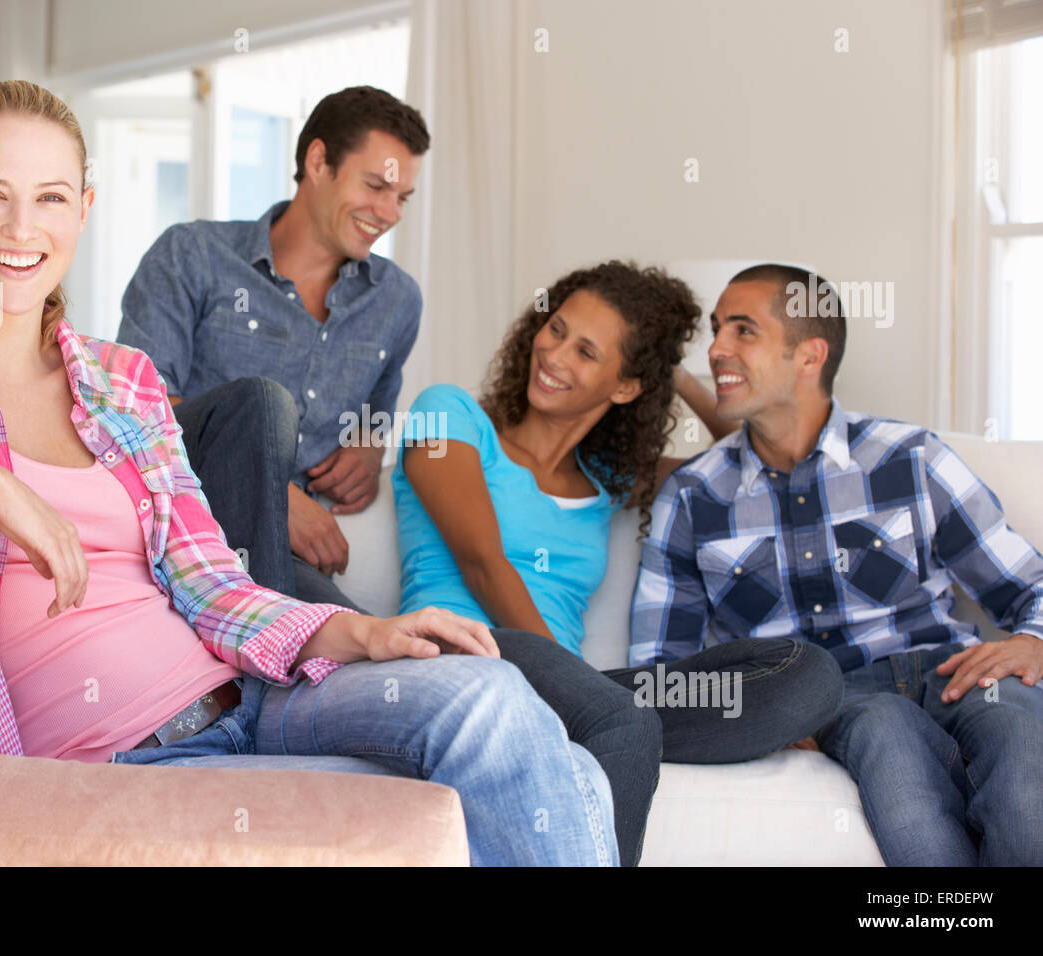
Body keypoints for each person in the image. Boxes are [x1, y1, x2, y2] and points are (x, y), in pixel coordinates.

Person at [0, 80, 619, 867]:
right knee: (516, 791)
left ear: (83, 209)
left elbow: (210, 584)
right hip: (125, 764)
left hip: (248, 698)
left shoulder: (122, 381)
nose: (21, 229)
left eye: (50, 198)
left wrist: (358, 634)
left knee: (494, 702)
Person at [394, 261, 845, 865]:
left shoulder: (606, 481)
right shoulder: (447, 414)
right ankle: (588, 718)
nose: (553, 356)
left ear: (626, 386)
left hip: (583, 698)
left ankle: (583, 722)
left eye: (586, 351)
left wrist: (672, 375)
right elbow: (482, 563)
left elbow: (733, 457)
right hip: (461, 662)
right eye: (554, 329)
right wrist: (574, 689)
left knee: (808, 677)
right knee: (621, 720)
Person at [631, 262, 1043, 866]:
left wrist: (1033, 642)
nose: (715, 349)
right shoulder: (694, 497)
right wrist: (767, 713)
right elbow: (659, 674)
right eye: (717, 330)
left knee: (1017, 745)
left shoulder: (911, 459)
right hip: (830, 700)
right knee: (892, 755)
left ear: (809, 355)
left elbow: (1028, 585)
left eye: (743, 331)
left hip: (951, 670)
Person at [117, 86, 428, 610]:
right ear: (317, 161)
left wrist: (371, 442)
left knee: (390, 660)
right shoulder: (193, 255)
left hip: (287, 567)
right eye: (376, 185)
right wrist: (276, 499)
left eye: (402, 197)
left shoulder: (396, 301)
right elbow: (136, 412)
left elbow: (377, 408)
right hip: (183, 534)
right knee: (261, 402)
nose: (389, 212)